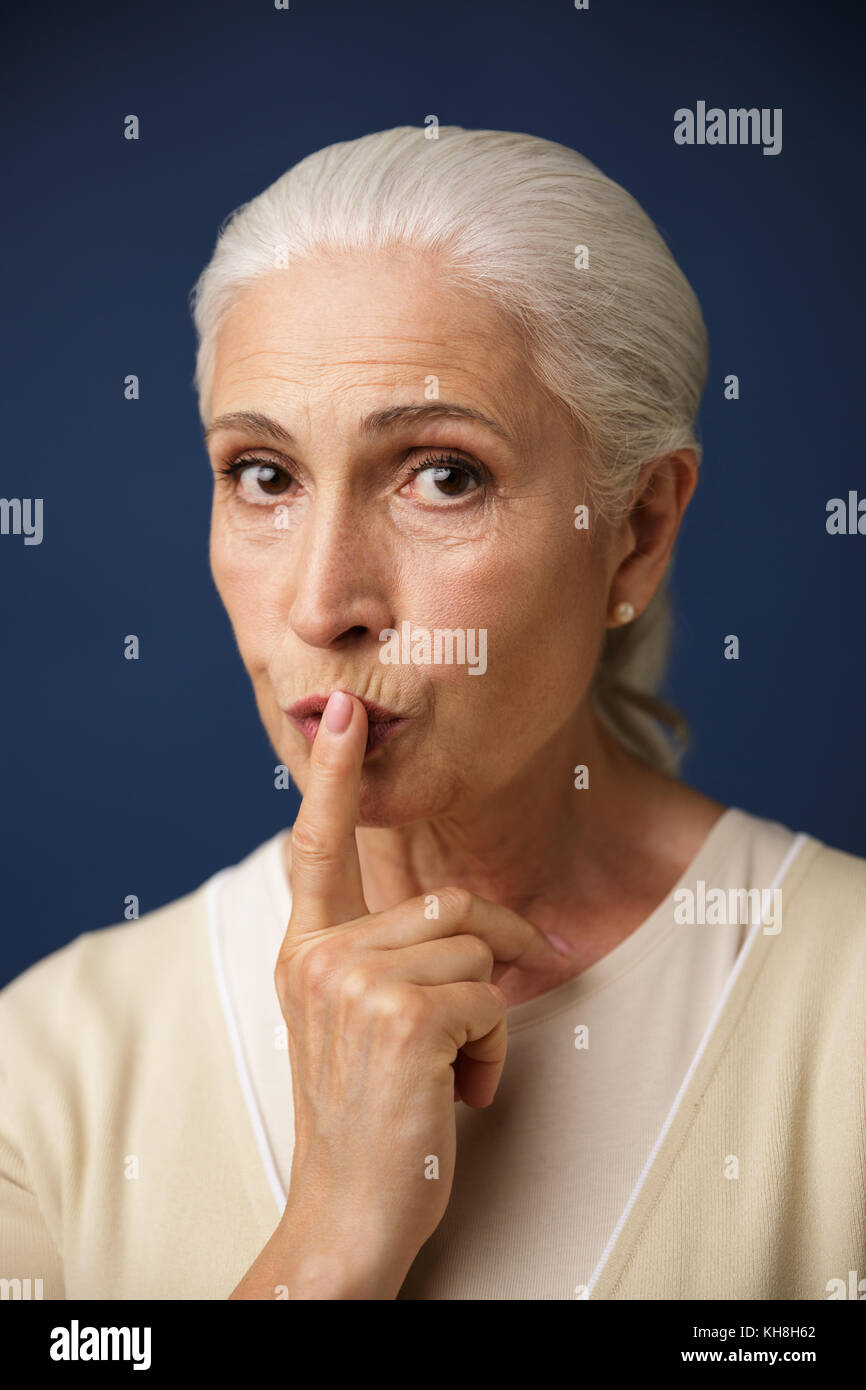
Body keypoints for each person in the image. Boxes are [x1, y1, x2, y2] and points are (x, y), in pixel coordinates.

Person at [1, 126, 863, 1301]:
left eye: (440, 474)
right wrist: (331, 1238)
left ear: (635, 531)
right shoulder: (48, 1069)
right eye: (264, 475)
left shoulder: (842, 1008)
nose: (320, 604)